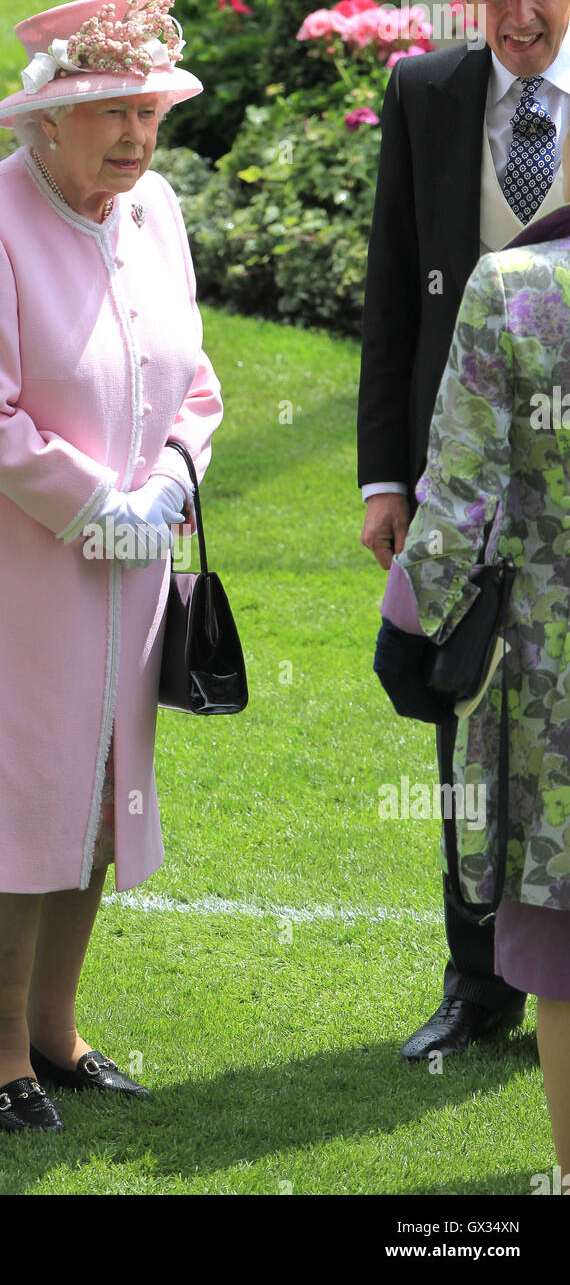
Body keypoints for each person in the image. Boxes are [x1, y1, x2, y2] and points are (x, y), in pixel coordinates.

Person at [0, 0, 223, 1132]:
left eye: (150, 111)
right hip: (16, 581)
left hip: (132, 576)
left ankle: (55, 1030)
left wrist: (174, 472)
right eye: (113, 110)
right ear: (49, 115)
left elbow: (196, 379)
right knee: (12, 798)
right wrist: (95, 506)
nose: (136, 134)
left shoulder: (157, 211)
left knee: (98, 800)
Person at [358, 0, 570, 1060]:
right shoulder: (424, 95)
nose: (517, 14)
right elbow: (391, 293)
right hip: (461, 482)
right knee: (466, 727)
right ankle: (476, 980)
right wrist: (382, 480)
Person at [375, 167, 570, 1174]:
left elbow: (455, 500)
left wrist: (406, 625)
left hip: (547, 687)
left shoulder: (513, 285)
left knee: (561, 960)